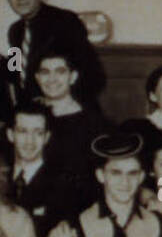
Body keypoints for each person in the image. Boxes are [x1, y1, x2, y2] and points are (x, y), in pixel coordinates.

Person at [0, 0, 105, 111]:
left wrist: (62, 104)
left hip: (68, 111)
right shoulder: (15, 31)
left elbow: (93, 73)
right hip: (31, 114)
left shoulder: (65, 21)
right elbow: (15, 69)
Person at [34, 51, 107, 206]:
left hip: (76, 209)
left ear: (73, 77)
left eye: (60, 72)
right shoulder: (27, 117)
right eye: (45, 72)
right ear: (37, 78)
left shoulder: (94, 124)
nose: (52, 79)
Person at [6, 104, 81, 237]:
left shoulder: (64, 184)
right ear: (10, 135)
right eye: (23, 131)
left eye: (38, 132)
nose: (30, 141)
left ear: (47, 137)